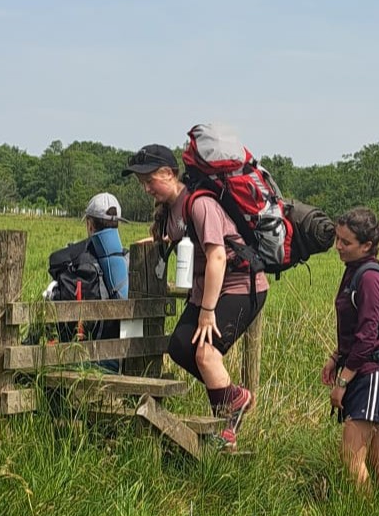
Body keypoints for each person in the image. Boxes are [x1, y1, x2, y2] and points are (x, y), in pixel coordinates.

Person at [122, 143, 262, 450]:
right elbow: (178, 236)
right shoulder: (173, 210)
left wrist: (207, 311)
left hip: (238, 286)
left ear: (169, 173)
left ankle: (226, 429)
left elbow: (217, 257)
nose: (146, 189)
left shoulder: (200, 204)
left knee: (205, 354)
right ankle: (234, 396)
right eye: (142, 183)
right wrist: (149, 243)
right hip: (209, 289)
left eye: (150, 180)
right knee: (180, 347)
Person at [323, 207, 379, 500]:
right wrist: (336, 356)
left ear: (367, 245)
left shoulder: (369, 278)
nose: (338, 246)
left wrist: (342, 382)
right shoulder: (354, 271)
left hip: (372, 373)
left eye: (346, 242)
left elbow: (368, 337)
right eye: (337, 239)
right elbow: (359, 328)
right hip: (367, 369)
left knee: (351, 455)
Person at [39, 192, 130, 362]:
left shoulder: (73, 264)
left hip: (81, 359)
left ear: (89, 224)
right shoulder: (128, 261)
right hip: (123, 357)